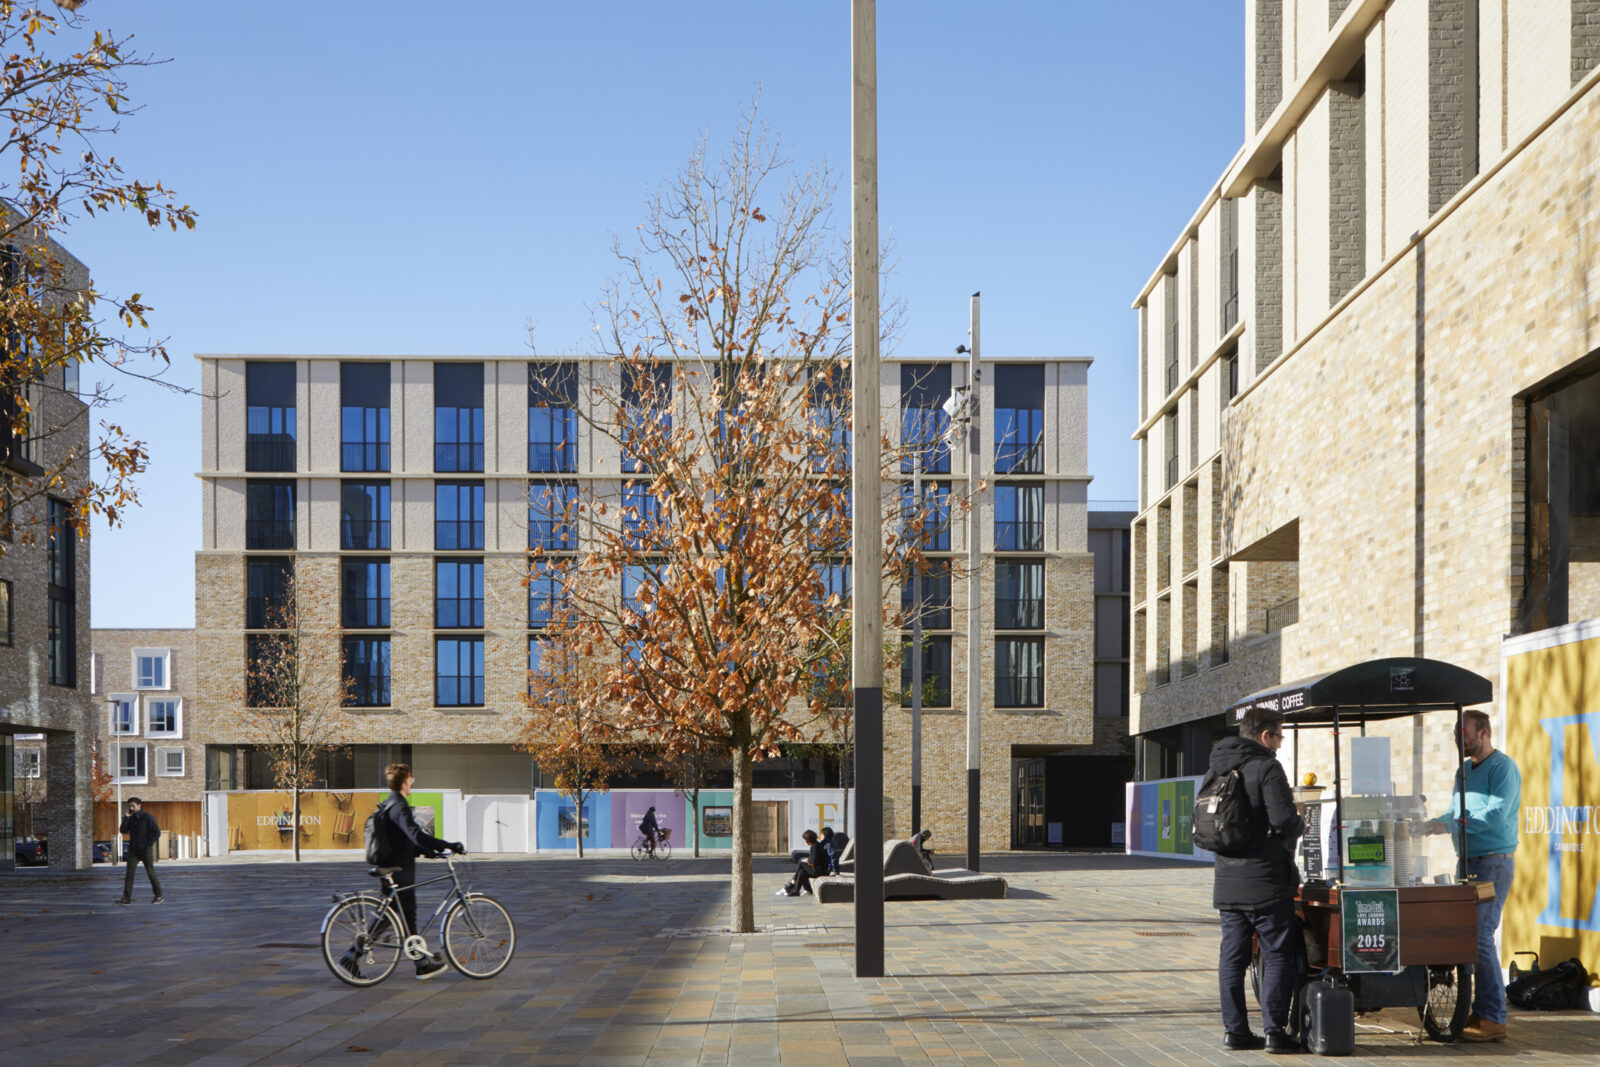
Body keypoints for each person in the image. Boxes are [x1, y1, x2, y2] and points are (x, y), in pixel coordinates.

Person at [1421, 708, 1521, 1043]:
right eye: (1455, 733)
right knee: (1465, 937)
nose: (1457, 738)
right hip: (1466, 861)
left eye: (1463, 732)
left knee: (1480, 935)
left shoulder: (1503, 768)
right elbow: (1454, 810)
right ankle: (1478, 1010)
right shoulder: (1463, 770)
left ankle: (1494, 1017)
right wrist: (1432, 824)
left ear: (1483, 732)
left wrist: (1453, 823)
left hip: (1493, 863)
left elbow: (1496, 813)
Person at [1207, 707, 1303, 1054]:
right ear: (1265, 736)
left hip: (1227, 881)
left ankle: (1235, 1032)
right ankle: (1276, 1032)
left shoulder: (1218, 765)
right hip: (1265, 880)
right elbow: (1282, 821)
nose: (1279, 742)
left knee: (1232, 957)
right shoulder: (1267, 766)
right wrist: (1300, 821)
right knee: (1277, 954)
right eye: (1278, 735)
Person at [370, 763, 464, 981]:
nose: (413, 782)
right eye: (411, 779)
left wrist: (428, 852)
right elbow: (415, 835)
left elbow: (403, 838)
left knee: (396, 917)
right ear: (404, 782)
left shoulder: (390, 803)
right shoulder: (399, 805)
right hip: (399, 870)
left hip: (396, 867)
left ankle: (420, 964)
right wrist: (448, 844)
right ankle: (420, 965)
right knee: (402, 916)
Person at [115, 797, 163, 905]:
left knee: (151, 873)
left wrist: (148, 844)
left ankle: (158, 896)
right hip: (133, 851)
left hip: (145, 850)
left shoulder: (147, 817)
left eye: (133, 806)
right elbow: (122, 830)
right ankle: (126, 899)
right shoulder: (130, 818)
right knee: (129, 874)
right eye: (130, 806)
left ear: (139, 805)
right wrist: (126, 817)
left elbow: (156, 832)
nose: (131, 808)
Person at [776, 829, 828, 897]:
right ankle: (796, 890)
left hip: (820, 871)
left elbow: (813, 861)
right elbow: (813, 859)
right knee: (802, 871)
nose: (805, 841)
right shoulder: (815, 845)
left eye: (805, 840)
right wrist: (808, 860)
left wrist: (807, 860)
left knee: (801, 863)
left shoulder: (815, 846)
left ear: (808, 840)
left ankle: (792, 883)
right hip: (817, 869)